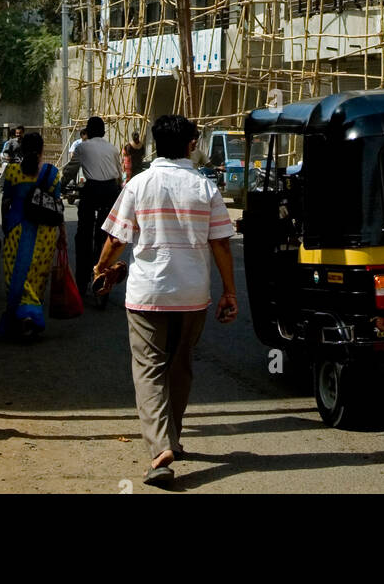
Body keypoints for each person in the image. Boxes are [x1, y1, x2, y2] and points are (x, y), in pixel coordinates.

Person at [94, 113, 237, 488]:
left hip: (148, 295)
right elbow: (221, 243)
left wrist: (100, 267)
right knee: (180, 367)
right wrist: (230, 291)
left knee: (149, 369)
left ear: (156, 144)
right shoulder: (205, 189)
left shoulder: (139, 184)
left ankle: (160, 450)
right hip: (192, 295)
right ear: (191, 145)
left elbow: (116, 239)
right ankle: (172, 437)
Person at [0, 132, 60, 341]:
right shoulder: (53, 174)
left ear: (21, 150)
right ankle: (31, 317)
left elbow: (6, 202)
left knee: (16, 277)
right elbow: (57, 207)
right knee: (36, 279)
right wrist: (63, 238)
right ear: (42, 150)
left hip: (16, 231)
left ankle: (20, 318)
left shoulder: (12, 171)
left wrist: (5, 226)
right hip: (44, 235)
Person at [74, 115, 123, 295]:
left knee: (84, 234)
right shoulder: (112, 148)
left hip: (92, 190)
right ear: (103, 132)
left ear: (88, 131)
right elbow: (119, 175)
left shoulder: (82, 147)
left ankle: (82, 279)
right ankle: (103, 265)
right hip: (111, 191)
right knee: (107, 233)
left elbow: (71, 169)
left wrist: (62, 183)